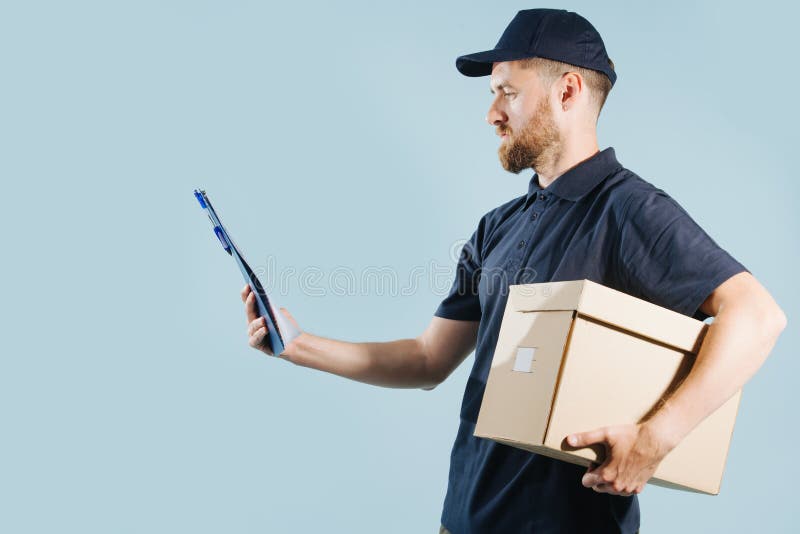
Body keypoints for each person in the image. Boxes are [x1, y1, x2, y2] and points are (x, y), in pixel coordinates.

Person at [241, 8, 787, 534]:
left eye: (507, 92)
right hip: (461, 519)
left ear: (567, 91)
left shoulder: (629, 211)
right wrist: (298, 344)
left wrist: (656, 438)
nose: (491, 113)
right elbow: (428, 359)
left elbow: (757, 317)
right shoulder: (495, 227)